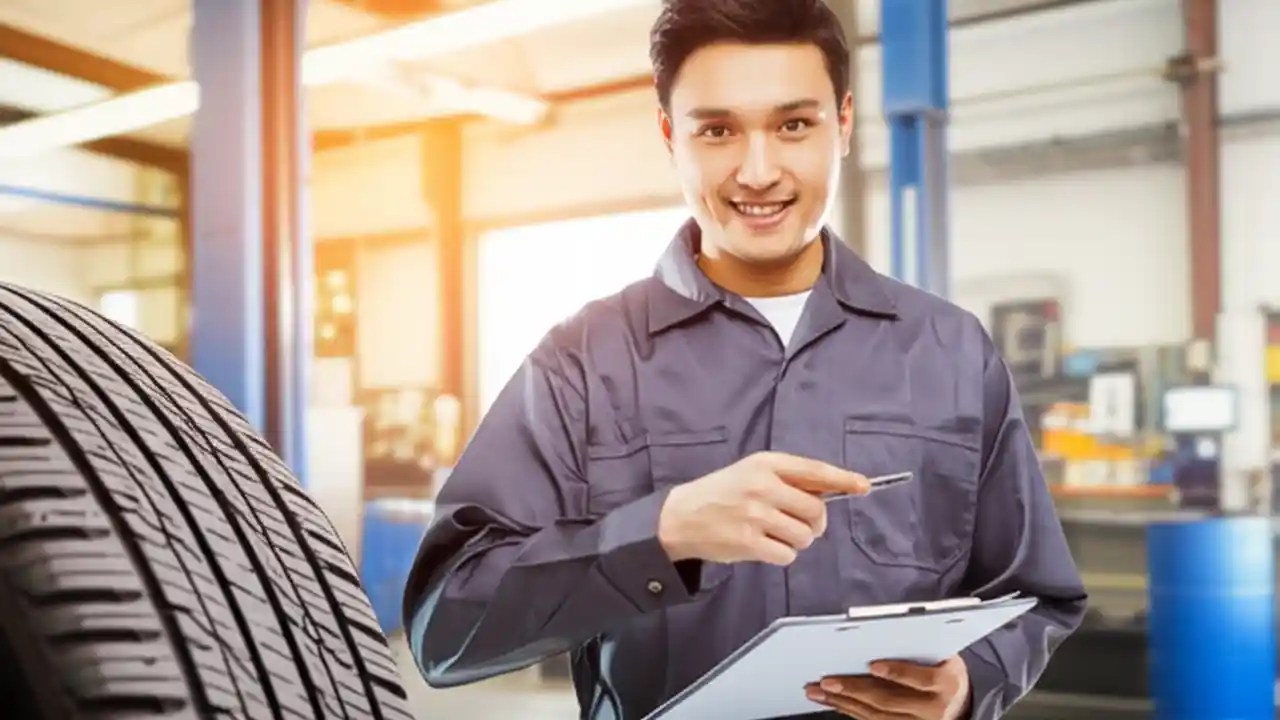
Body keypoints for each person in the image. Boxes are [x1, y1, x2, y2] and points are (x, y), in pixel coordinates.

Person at [402, 1, 1087, 718]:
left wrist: (970, 681)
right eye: (718, 130)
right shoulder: (582, 363)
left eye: (794, 125)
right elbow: (446, 627)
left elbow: (1037, 596)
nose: (758, 172)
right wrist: (663, 533)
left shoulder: (952, 351)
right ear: (672, 135)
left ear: (843, 124)